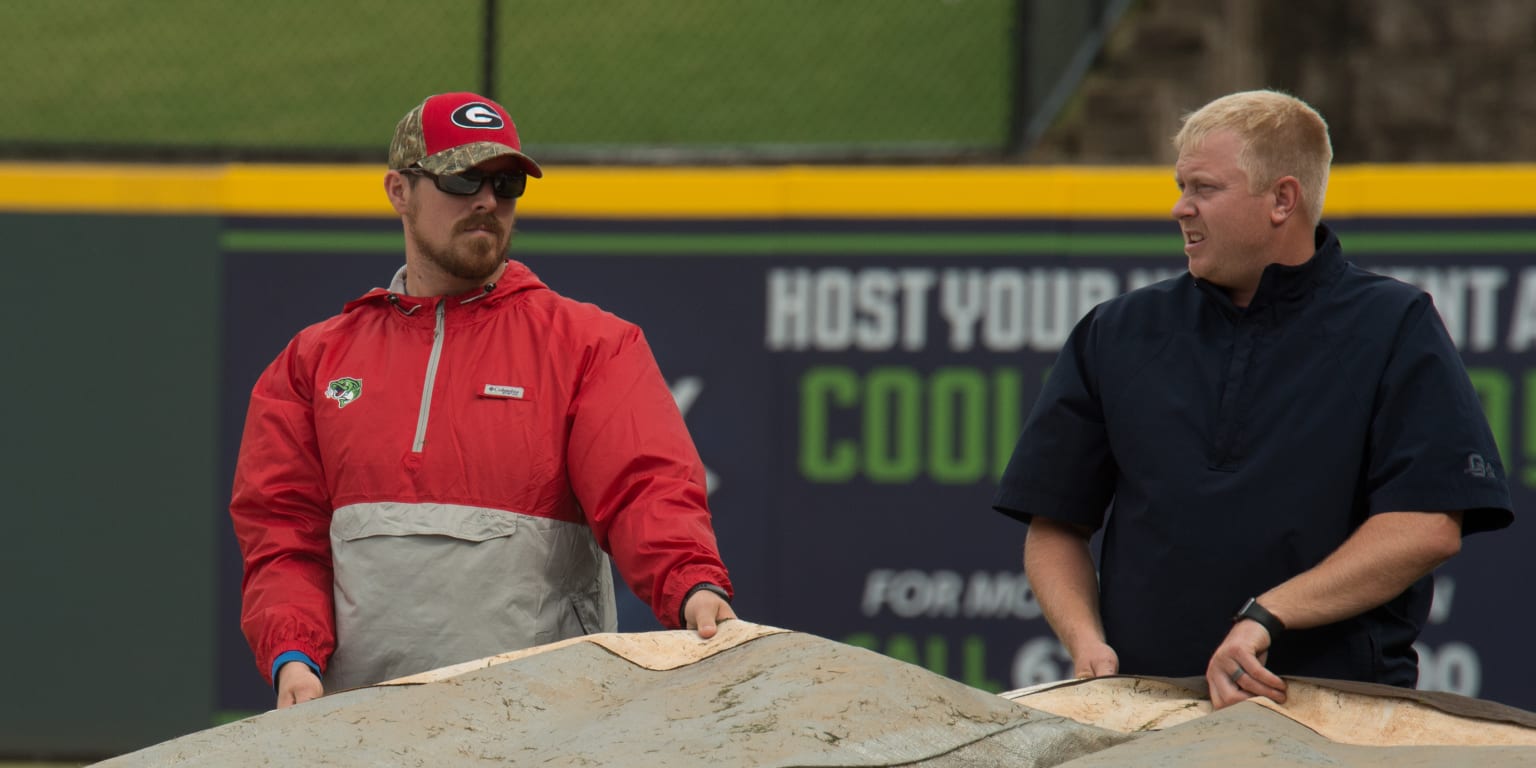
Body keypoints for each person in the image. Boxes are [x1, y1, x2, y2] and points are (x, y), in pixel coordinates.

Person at [992, 89, 1512, 710]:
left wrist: (1269, 616)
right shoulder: (1118, 330)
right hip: (1149, 716)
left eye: (1204, 188)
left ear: (1282, 199)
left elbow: (1427, 526)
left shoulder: (1394, 324)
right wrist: (1088, 645)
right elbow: (1054, 525)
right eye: (1181, 185)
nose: (1180, 208)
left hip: (1335, 717)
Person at [231, 92, 736, 709]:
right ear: (399, 191)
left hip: (547, 724)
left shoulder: (592, 344)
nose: (487, 201)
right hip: (361, 725)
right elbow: (283, 535)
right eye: (463, 178)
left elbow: (646, 488)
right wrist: (292, 658)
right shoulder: (312, 363)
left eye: (505, 183)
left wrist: (693, 586)